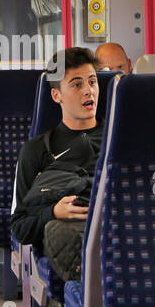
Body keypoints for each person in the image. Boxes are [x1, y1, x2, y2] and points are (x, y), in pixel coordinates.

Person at [10, 47, 103, 282]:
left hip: (113, 223)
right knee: (59, 232)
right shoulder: (36, 151)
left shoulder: (118, 139)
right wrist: (53, 212)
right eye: (76, 84)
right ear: (56, 95)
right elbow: (20, 226)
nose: (88, 91)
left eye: (92, 82)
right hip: (70, 230)